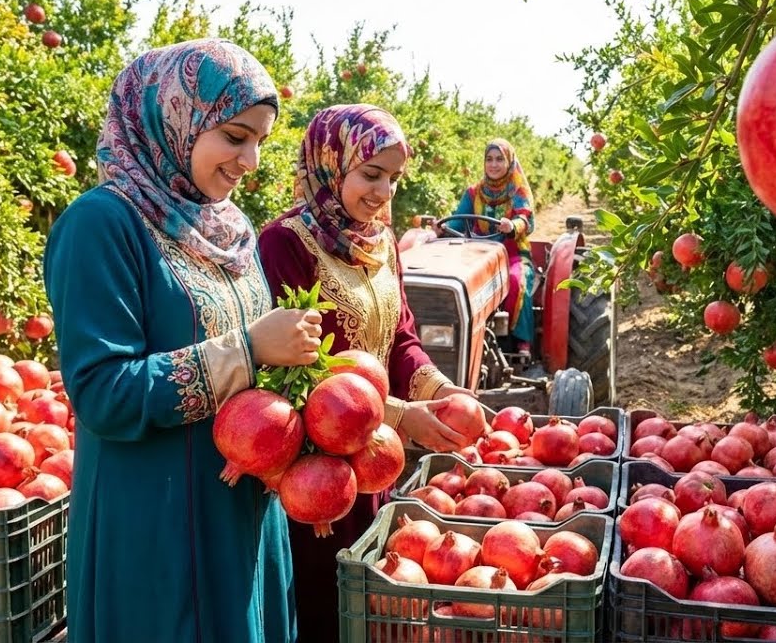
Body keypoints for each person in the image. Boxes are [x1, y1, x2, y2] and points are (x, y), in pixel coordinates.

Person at [43, 39, 322, 643]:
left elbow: (262, 373)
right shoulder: (101, 225)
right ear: (172, 119)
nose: (250, 160)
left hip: (242, 511)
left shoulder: (232, 230)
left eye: (259, 141)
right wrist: (248, 351)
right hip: (158, 519)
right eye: (235, 136)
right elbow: (102, 392)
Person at [256, 103, 472, 641]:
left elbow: (401, 338)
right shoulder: (285, 243)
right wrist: (400, 415)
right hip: (314, 468)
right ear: (331, 164)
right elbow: (294, 366)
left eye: (393, 178)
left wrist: (442, 391)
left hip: (373, 462)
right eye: (371, 174)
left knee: (370, 602)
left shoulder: (380, 243)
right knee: (323, 605)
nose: (383, 192)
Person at [445, 138, 537, 352]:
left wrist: (512, 225)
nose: (493, 164)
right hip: (477, 253)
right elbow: (457, 221)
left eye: (499, 159)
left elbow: (525, 220)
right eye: (489, 159)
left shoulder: (518, 192)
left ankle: (520, 341)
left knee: (516, 280)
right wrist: (441, 227)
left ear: (509, 162)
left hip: (512, 253)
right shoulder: (474, 192)